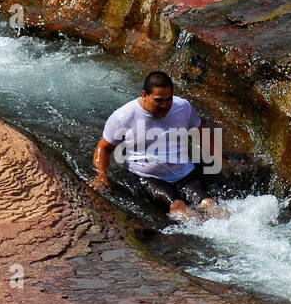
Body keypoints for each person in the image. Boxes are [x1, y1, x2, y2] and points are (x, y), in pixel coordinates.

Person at [89, 71, 222, 218]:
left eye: (168, 99)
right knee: (178, 207)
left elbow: (201, 132)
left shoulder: (183, 107)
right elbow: (104, 148)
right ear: (145, 95)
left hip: (184, 172)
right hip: (148, 176)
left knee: (210, 204)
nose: (165, 105)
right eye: (159, 100)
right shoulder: (123, 117)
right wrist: (101, 177)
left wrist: (221, 160)